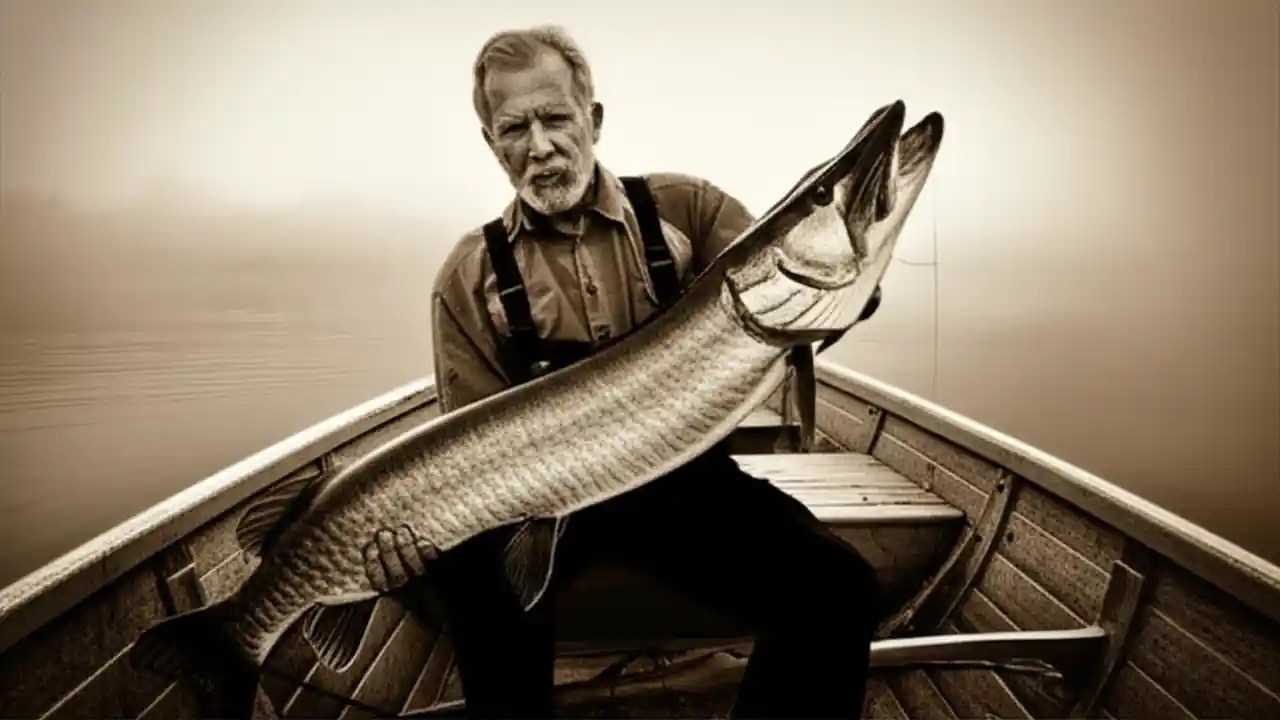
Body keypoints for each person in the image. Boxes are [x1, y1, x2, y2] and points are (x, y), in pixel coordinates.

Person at [364, 25, 883, 719]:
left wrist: (854, 281)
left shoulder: (686, 210)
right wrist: (403, 542)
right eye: (514, 128)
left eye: (555, 118)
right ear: (492, 144)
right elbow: (470, 455)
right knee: (474, 587)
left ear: (594, 120)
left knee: (838, 589)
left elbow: (789, 303)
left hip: (684, 481)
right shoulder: (468, 275)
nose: (540, 146)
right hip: (536, 504)